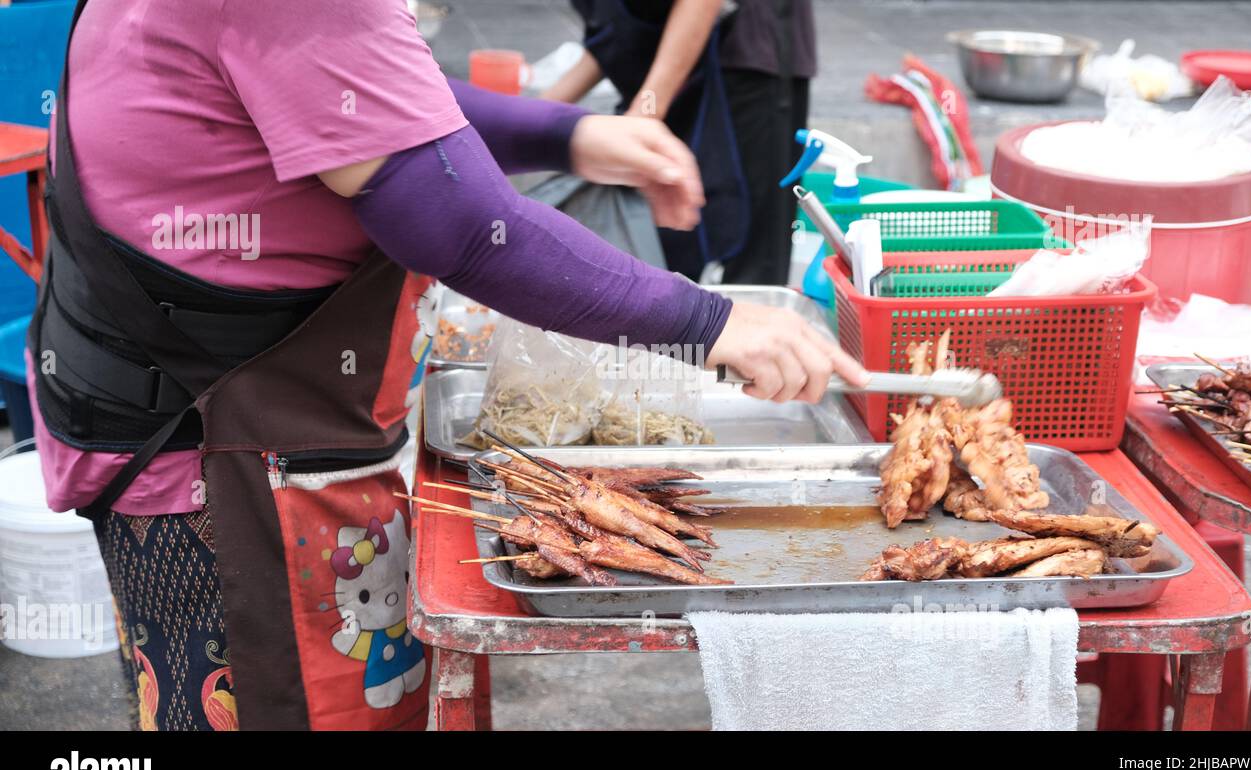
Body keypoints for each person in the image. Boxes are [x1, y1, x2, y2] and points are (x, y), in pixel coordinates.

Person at [28, 0, 867, 731]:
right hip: (220, 464)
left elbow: (361, 91)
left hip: (217, 422)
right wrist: (707, 321)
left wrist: (566, 134)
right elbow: (459, 225)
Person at [544, 0, 817, 286]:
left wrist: (644, 115)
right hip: (667, 70)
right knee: (668, 252)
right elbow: (613, 34)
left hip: (746, 62)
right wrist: (531, 115)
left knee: (752, 267)